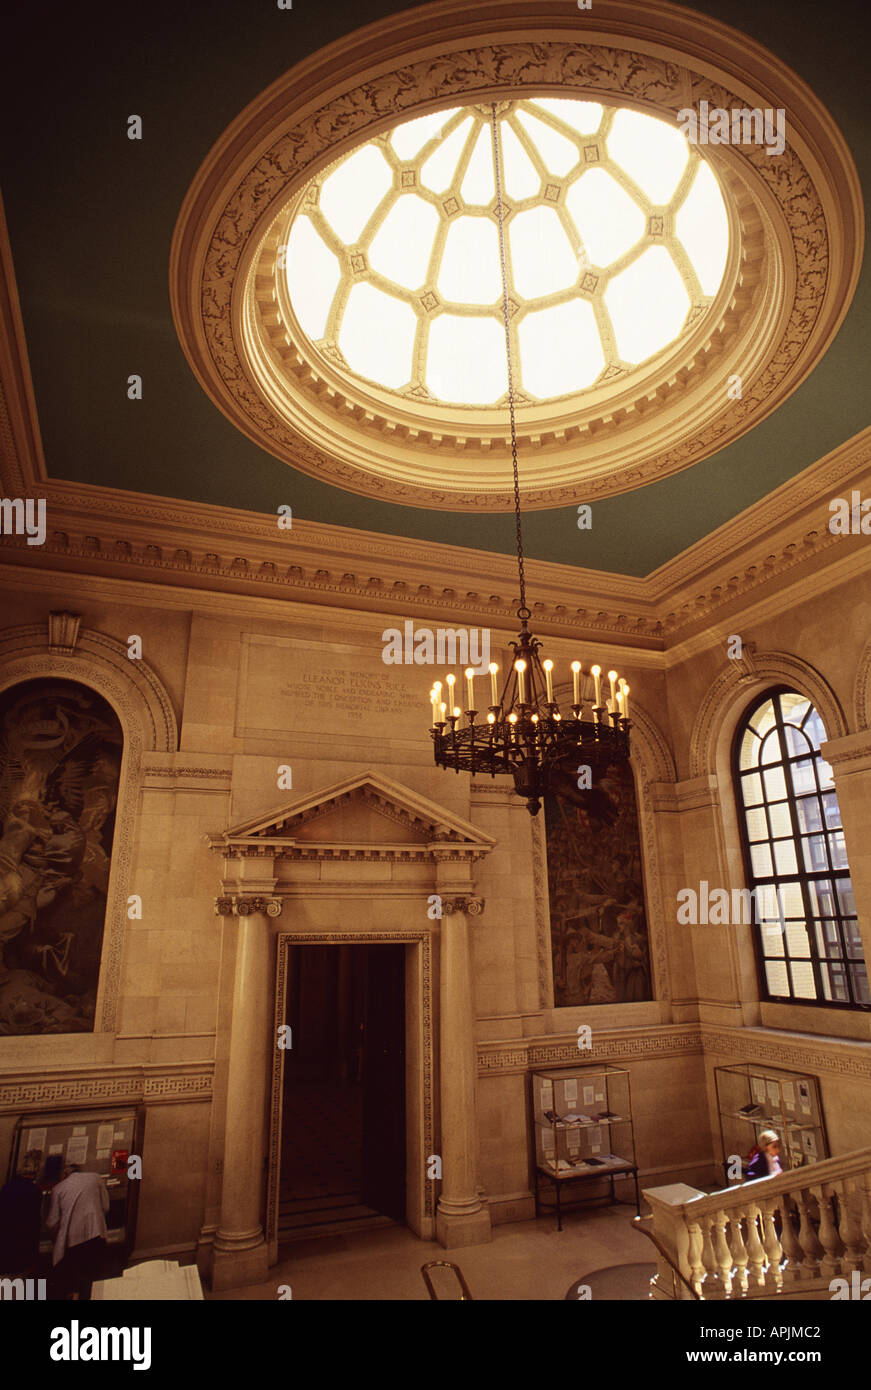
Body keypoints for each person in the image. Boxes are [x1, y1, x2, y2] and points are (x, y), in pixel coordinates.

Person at [46, 1165, 109, 1299]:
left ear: (65, 1173)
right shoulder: (95, 1178)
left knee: (76, 1279)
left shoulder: (58, 1188)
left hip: (73, 1240)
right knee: (95, 1276)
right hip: (96, 1233)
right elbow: (106, 1206)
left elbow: (52, 1222)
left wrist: (54, 1239)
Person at [0, 1150, 43, 1278]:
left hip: (5, 1252)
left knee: (6, 1292)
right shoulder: (34, 1191)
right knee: (30, 1289)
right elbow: (34, 1224)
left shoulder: (7, 1187)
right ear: (35, 1170)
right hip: (24, 1253)